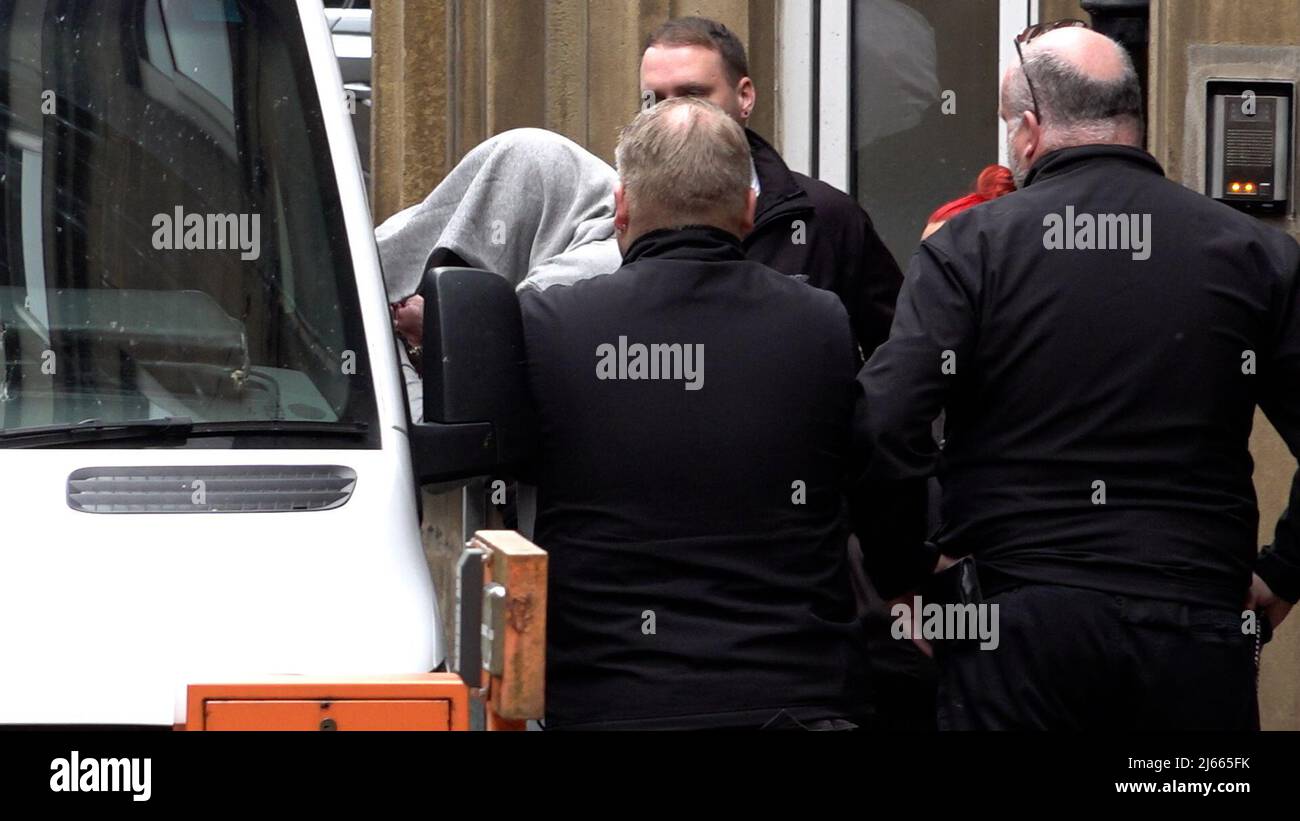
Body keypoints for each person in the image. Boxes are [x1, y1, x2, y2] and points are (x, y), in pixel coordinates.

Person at [855, 22, 1300, 730]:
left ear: (1029, 130)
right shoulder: (1253, 253)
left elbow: (884, 421)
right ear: (1130, 118)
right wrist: (1283, 571)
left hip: (1016, 631)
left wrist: (909, 569)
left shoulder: (970, 248)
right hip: (1192, 628)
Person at [519, 97, 873, 730]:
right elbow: (873, 472)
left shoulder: (549, 327)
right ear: (749, 208)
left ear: (620, 207)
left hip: (608, 697)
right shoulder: (821, 322)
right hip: (795, 692)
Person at [641, 16, 902, 360]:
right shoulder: (622, 216)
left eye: (693, 94)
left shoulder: (825, 217)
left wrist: (852, 414)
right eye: (654, 99)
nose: (672, 113)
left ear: (744, 96)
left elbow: (898, 355)